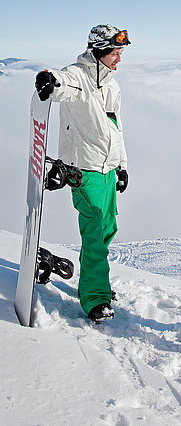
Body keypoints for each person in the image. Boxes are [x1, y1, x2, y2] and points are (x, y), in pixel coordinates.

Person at [35, 24, 132, 322]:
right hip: (84, 170)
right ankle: (95, 298)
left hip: (107, 170)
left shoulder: (112, 86)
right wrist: (49, 80)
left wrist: (122, 166)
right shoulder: (79, 76)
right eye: (115, 53)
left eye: (120, 53)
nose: (119, 59)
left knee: (107, 230)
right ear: (100, 51)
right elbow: (63, 84)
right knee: (94, 234)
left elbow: (116, 130)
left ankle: (95, 282)